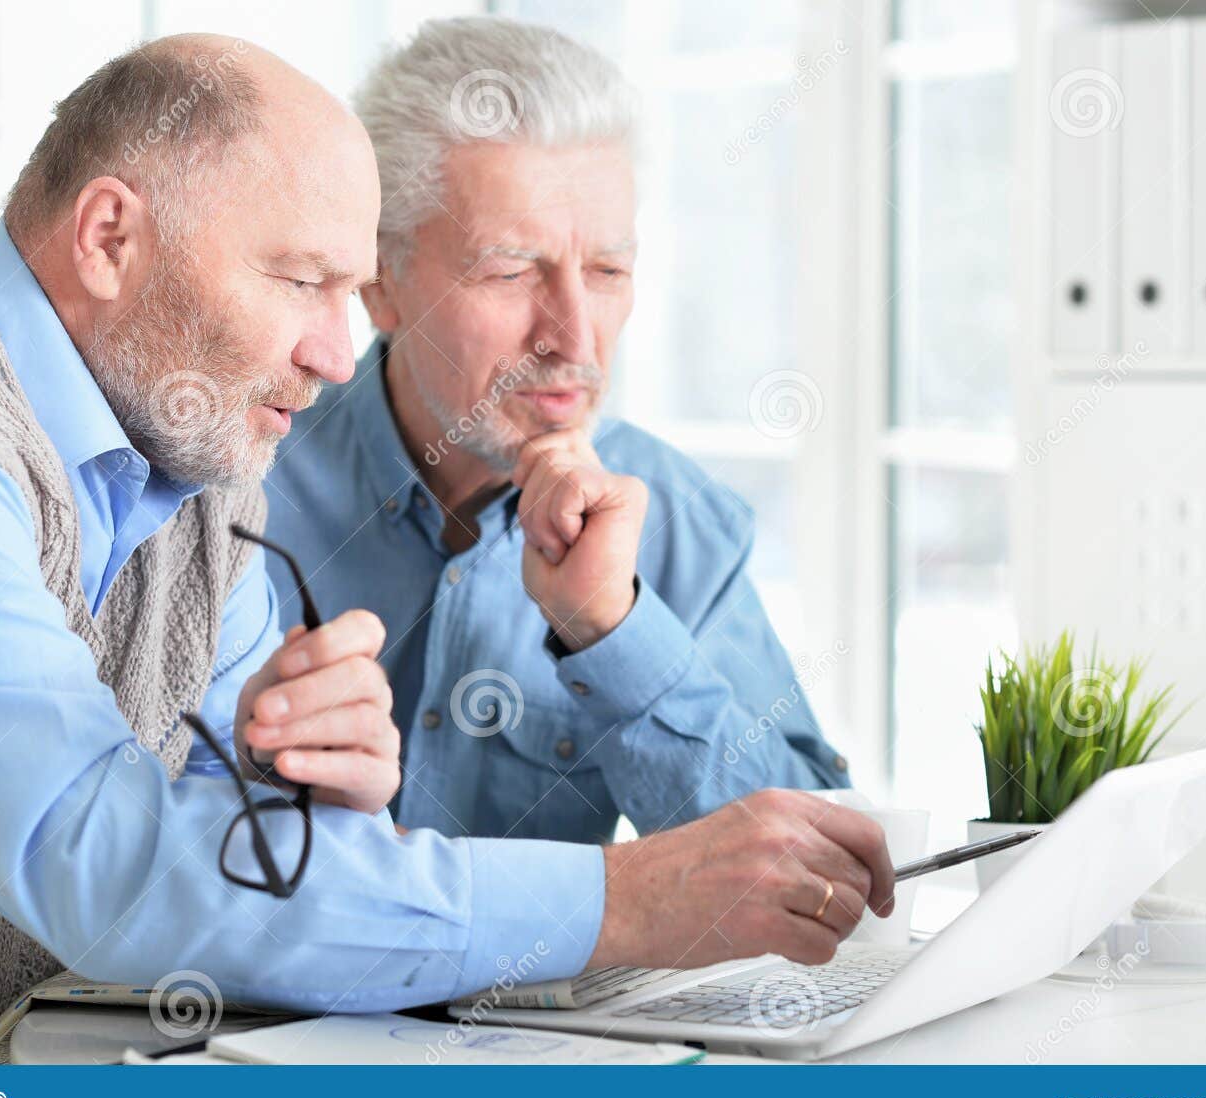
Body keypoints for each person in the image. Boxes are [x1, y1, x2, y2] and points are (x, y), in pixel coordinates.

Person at [0, 34, 892, 1065]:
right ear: (110, 237)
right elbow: (109, 865)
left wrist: (306, 786)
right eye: (302, 281)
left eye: (610, 267)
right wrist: (637, 898)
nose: (335, 355)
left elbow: (264, 858)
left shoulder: (192, 451)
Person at [264, 16, 848, 844]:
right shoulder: (231, 494)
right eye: (509, 272)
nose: (574, 338)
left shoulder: (680, 522)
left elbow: (821, 865)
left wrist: (615, 629)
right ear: (377, 283)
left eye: (607, 271)